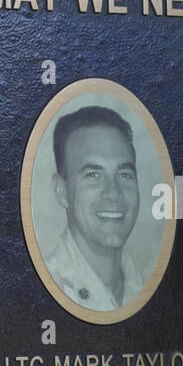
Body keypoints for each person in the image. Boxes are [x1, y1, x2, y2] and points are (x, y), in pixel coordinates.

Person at [43, 105, 147, 312]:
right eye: (93, 175)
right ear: (62, 191)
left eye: (124, 174)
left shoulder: (145, 283)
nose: (113, 192)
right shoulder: (41, 296)